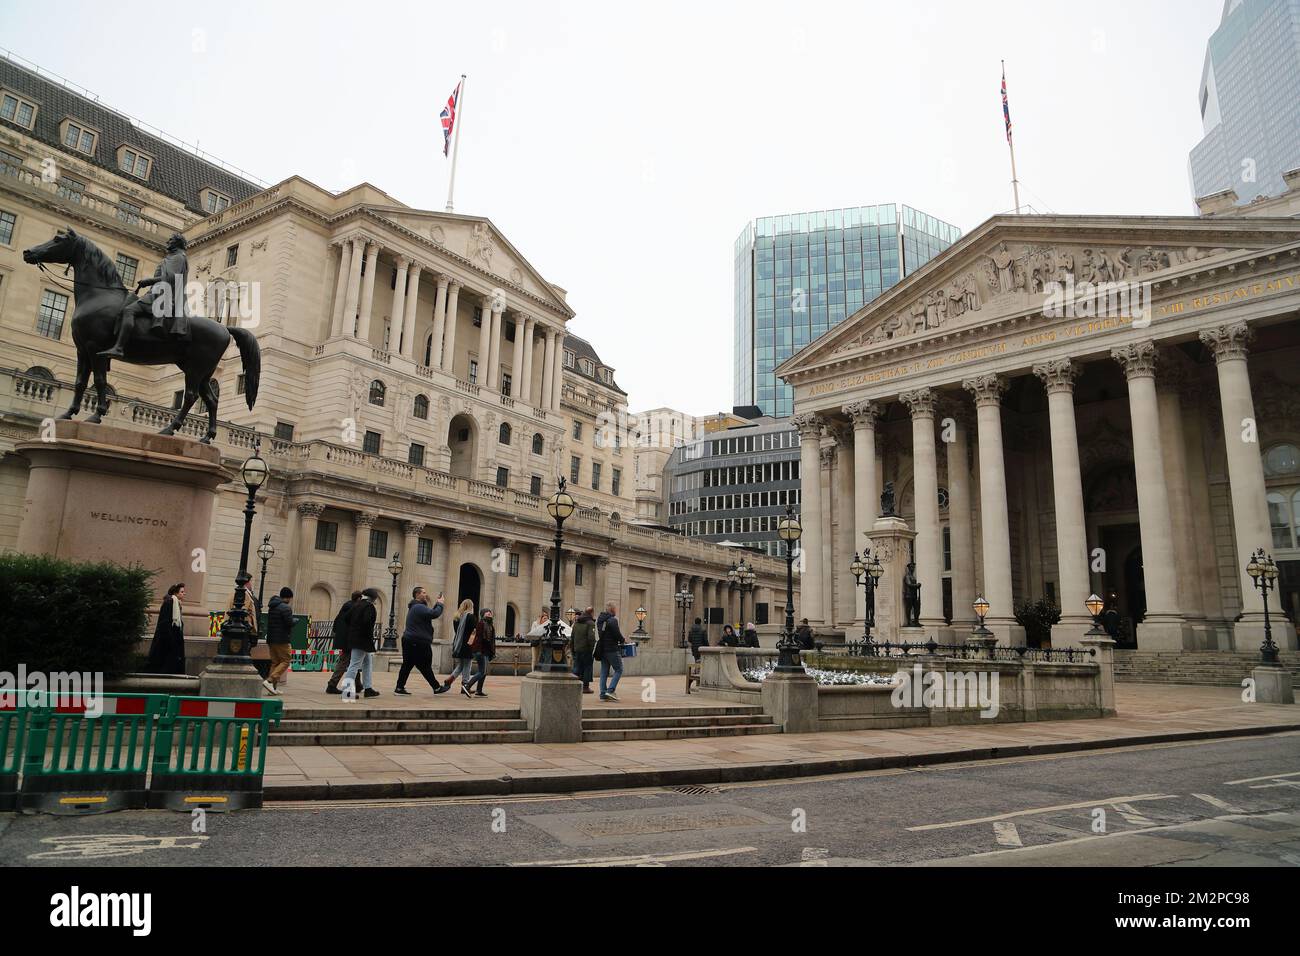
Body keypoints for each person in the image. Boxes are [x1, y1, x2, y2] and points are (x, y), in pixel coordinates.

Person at [99, 232, 190, 358]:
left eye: (170, 240)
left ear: (177, 242)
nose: (167, 242)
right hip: (157, 292)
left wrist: (149, 281)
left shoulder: (178, 257)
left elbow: (170, 278)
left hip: (165, 296)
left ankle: (119, 348)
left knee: (129, 310)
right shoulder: (171, 257)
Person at [395, 587, 444, 696]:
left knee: (409, 665)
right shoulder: (418, 607)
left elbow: (430, 613)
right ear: (417, 594)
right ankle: (436, 687)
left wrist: (437, 603)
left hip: (412, 640)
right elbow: (434, 614)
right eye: (423, 592)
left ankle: (399, 688)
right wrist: (440, 604)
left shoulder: (416, 607)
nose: (425, 595)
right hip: (417, 641)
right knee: (424, 665)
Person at [341, 588, 381, 699]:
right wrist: (364, 634)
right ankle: (347, 691)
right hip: (362, 640)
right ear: (372, 598)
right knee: (354, 665)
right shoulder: (369, 607)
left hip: (355, 638)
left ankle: (368, 688)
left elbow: (346, 618)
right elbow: (367, 622)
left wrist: (354, 628)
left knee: (368, 663)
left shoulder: (357, 605)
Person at [437, 599, 477, 694]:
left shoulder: (456, 618)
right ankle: (465, 685)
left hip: (458, 644)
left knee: (462, 665)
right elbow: (474, 631)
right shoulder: (471, 617)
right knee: (467, 665)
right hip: (467, 644)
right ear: (470, 606)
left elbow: (457, 632)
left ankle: (450, 680)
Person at [326, 591, 361, 694]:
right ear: (358, 599)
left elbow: (336, 623)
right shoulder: (354, 609)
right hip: (349, 640)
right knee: (345, 662)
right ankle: (332, 684)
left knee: (353, 662)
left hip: (342, 638)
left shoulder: (345, 607)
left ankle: (358, 684)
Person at [262, 587, 295, 695]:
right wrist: (295, 621)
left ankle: (272, 688)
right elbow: (288, 623)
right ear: (288, 597)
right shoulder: (285, 608)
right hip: (282, 639)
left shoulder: (273, 606)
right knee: (286, 660)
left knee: (275, 662)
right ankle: (270, 680)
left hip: (271, 638)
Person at [147, 583, 186, 674]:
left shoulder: (176, 603)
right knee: (165, 665)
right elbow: (165, 622)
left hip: (173, 639)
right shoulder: (169, 602)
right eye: (182, 592)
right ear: (176, 593)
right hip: (168, 640)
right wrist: (171, 638)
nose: (184, 593)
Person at [595, 602, 626, 702]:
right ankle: (611, 690)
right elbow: (617, 634)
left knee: (604, 671)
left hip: (603, 649)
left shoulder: (600, 620)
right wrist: (623, 640)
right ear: (612, 610)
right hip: (612, 649)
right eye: (615, 609)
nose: (616, 610)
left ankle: (603, 693)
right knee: (619, 669)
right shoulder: (612, 620)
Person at [464, 608, 496, 698]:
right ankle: (467, 686)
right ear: (483, 614)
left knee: (483, 671)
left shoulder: (490, 625)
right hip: (480, 651)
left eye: (490, 612)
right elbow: (483, 639)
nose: (489, 613)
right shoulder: (481, 624)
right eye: (487, 612)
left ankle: (479, 690)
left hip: (484, 651)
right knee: (482, 671)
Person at [570, 607, 597, 693]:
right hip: (586, 650)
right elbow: (591, 638)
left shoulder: (577, 622)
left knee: (577, 667)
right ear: (591, 613)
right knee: (587, 667)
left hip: (577, 649)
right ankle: (585, 687)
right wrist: (592, 648)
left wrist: (572, 648)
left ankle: (574, 685)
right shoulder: (590, 623)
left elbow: (572, 636)